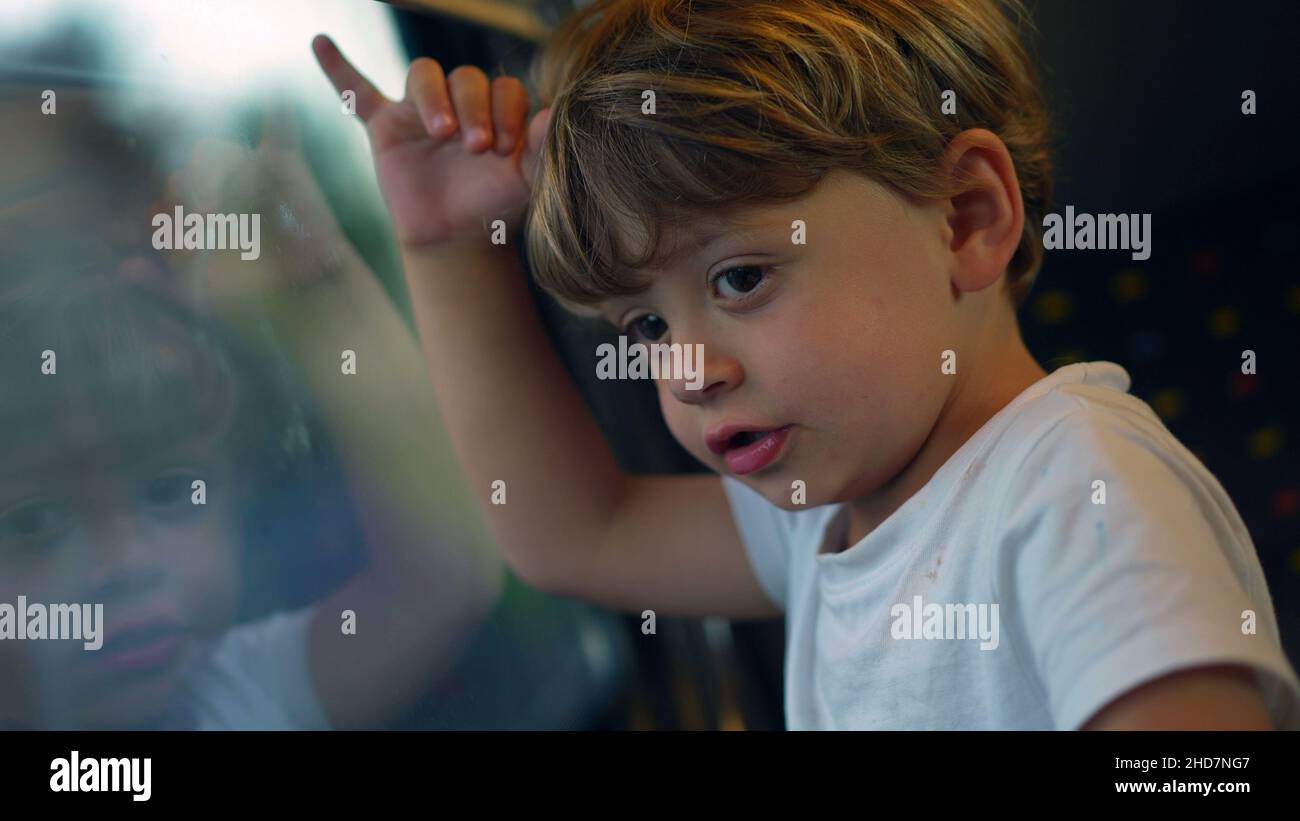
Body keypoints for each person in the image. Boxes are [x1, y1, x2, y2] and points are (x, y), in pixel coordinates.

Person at [312, 0, 1300, 729]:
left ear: (966, 218)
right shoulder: (827, 523)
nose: (687, 371)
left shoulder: (1073, 490)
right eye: (644, 326)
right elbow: (577, 533)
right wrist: (448, 248)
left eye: (740, 277)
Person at [0, 100, 501, 729]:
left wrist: (310, 286)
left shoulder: (236, 691)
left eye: (170, 490)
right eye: (31, 523)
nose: (125, 564)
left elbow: (443, 577)